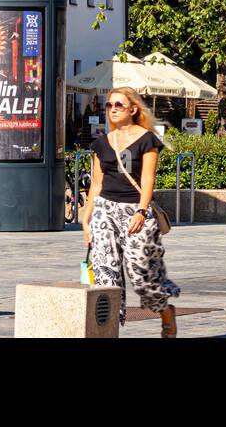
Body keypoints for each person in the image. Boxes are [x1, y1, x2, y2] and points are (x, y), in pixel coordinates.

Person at [82, 87, 181, 336]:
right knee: (105, 272)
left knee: (142, 275)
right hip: (105, 210)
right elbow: (96, 184)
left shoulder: (147, 140)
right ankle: (107, 330)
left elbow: (148, 179)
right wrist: (86, 217)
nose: (112, 109)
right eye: (109, 105)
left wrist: (141, 211)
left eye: (119, 105)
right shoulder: (102, 143)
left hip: (135, 210)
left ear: (133, 109)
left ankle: (166, 312)